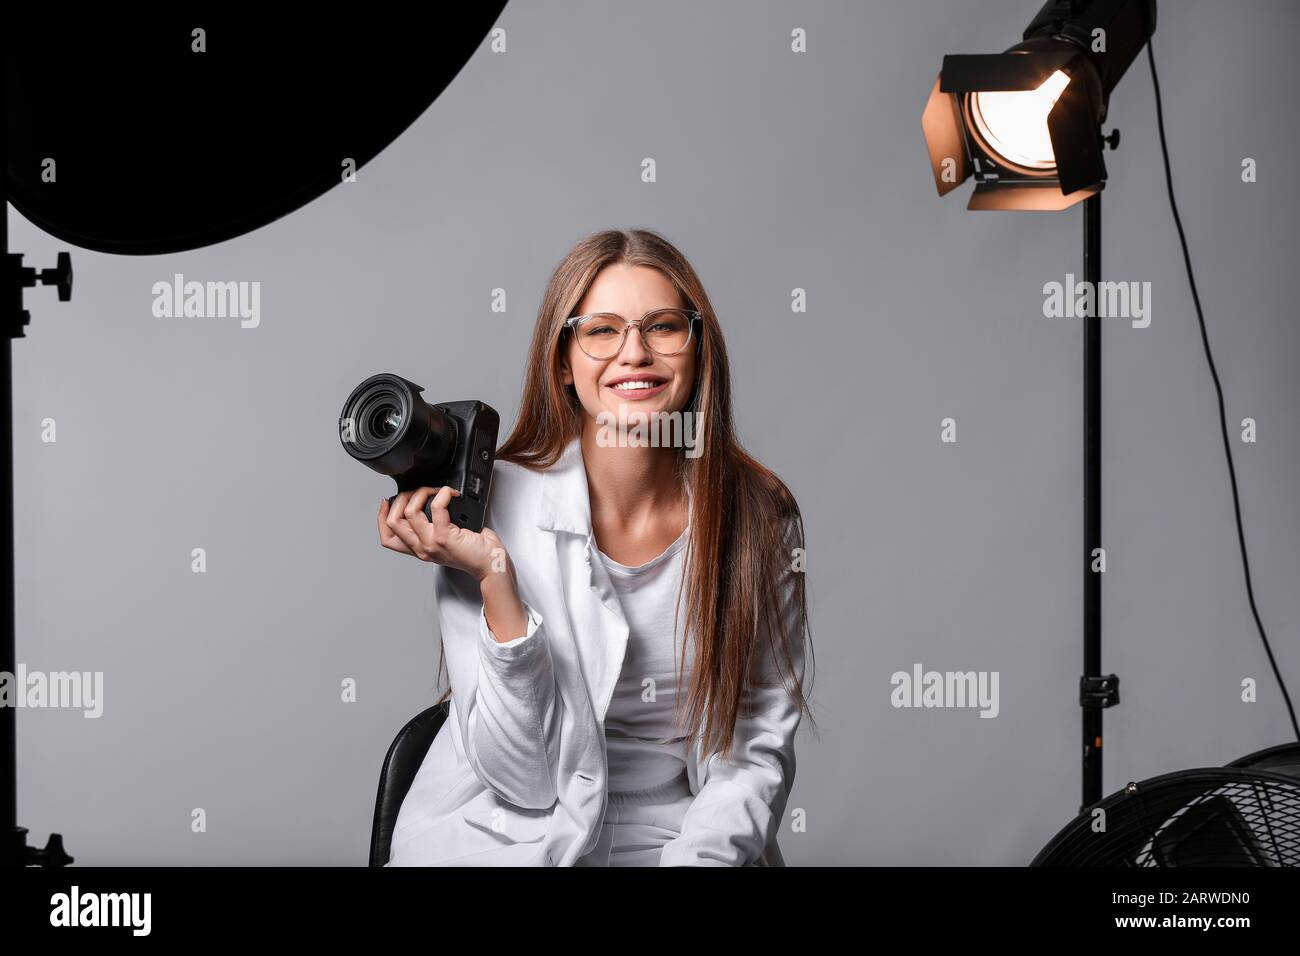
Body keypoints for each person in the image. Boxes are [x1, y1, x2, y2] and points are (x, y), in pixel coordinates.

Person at [379, 228, 814, 866]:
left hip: (686, 835)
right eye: (601, 330)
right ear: (563, 361)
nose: (633, 353)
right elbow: (522, 778)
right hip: (507, 838)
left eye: (663, 327)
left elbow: (753, 755)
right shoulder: (486, 509)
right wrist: (495, 576)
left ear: (698, 352)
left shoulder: (760, 518)